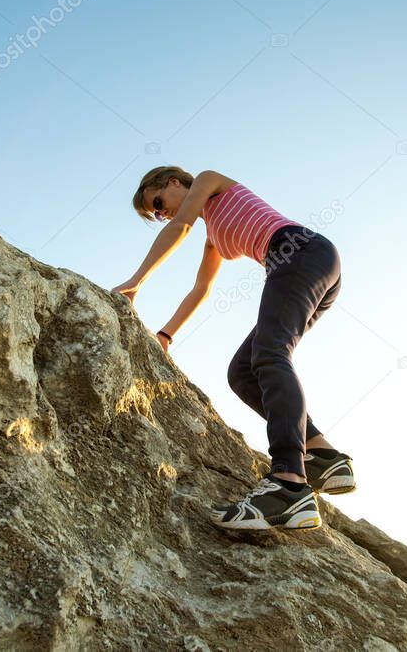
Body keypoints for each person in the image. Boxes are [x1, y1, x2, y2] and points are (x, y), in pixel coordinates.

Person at [111, 166, 356, 532]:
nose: (162, 215)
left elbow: (180, 226)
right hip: (309, 264)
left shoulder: (209, 181)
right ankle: (321, 455)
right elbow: (201, 290)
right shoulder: (214, 238)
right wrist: (166, 335)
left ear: (173, 181)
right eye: (156, 215)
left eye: (158, 204)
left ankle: (289, 483)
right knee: (242, 372)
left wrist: (136, 282)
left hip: (300, 253)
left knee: (271, 354)